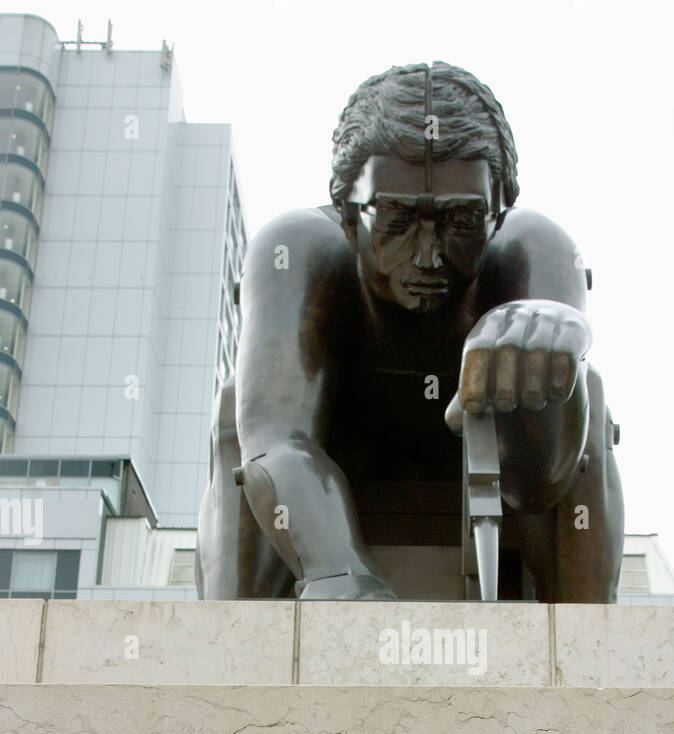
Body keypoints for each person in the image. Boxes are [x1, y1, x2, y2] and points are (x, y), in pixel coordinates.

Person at [196, 61, 624, 602]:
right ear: (347, 212)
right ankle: (233, 657)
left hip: (487, 476)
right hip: (336, 476)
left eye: (461, 222)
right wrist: (342, 580)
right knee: (241, 410)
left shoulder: (536, 248)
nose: (427, 256)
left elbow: (538, 482)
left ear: (499, 213)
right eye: (396, 218)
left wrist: (543, 376)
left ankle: (585, 652)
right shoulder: (297, 251)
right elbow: (276, 438)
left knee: (582, 390)